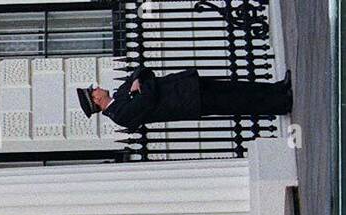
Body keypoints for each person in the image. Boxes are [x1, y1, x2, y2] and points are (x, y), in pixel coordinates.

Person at [76, 66, 293, 130]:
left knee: (235, 88)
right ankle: (280, 103)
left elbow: (142, 71)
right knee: (236, 102)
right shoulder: (119, 114)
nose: (97, 87)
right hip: (187, 101)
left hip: (185, 85)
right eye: (94, 90)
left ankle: (276, 89)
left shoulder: (121, 93)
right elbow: (149, 98)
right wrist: (140, 82)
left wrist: (138, 81)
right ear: (96, 101)